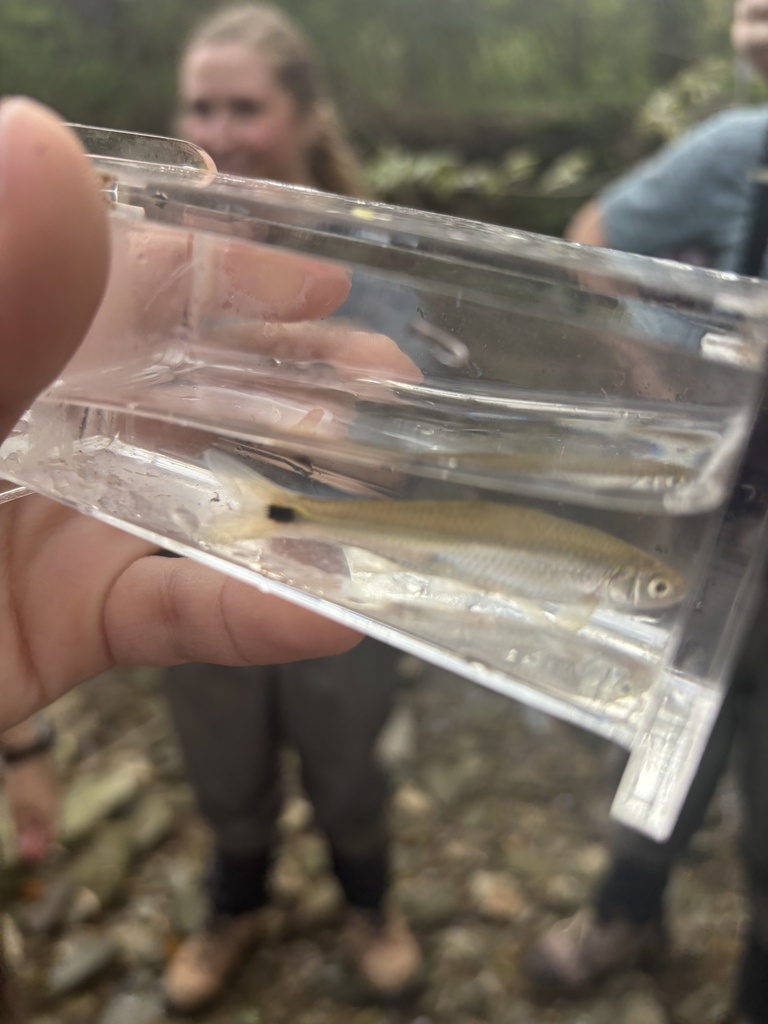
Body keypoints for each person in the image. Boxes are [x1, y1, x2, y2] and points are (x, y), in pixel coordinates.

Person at [159, 5, 422, 1015]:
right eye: (200, 105)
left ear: (305, 114)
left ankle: (371, 904)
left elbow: (401, 449)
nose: (218, 131)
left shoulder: (377, 254)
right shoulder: (157, 250)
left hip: (337, 568)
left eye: (245, 106)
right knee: (220, 758)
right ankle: (237, 904)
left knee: (350, 751)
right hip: (189, 556)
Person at [524, 4, 768, 1021]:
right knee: (671, 729)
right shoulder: (740, 152)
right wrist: (680, 373)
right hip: (725, 522)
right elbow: (595, 242)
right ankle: (626, 912)